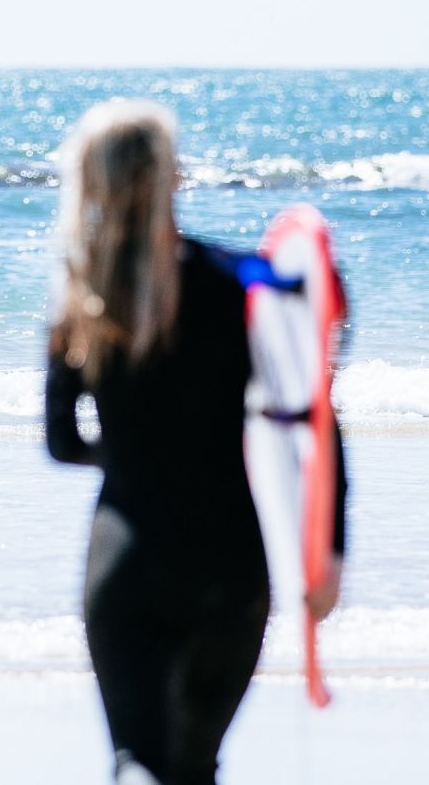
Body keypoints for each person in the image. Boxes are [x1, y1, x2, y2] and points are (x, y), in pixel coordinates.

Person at [44, 100, 347, 785]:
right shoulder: (241, 281)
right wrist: (329, 550)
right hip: (229, 566)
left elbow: (61, 444)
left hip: (126, 560)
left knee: (138, 763)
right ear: (174, 175)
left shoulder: (80, 298)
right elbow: (315, 405)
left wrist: (134, 454)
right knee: (194, 769)